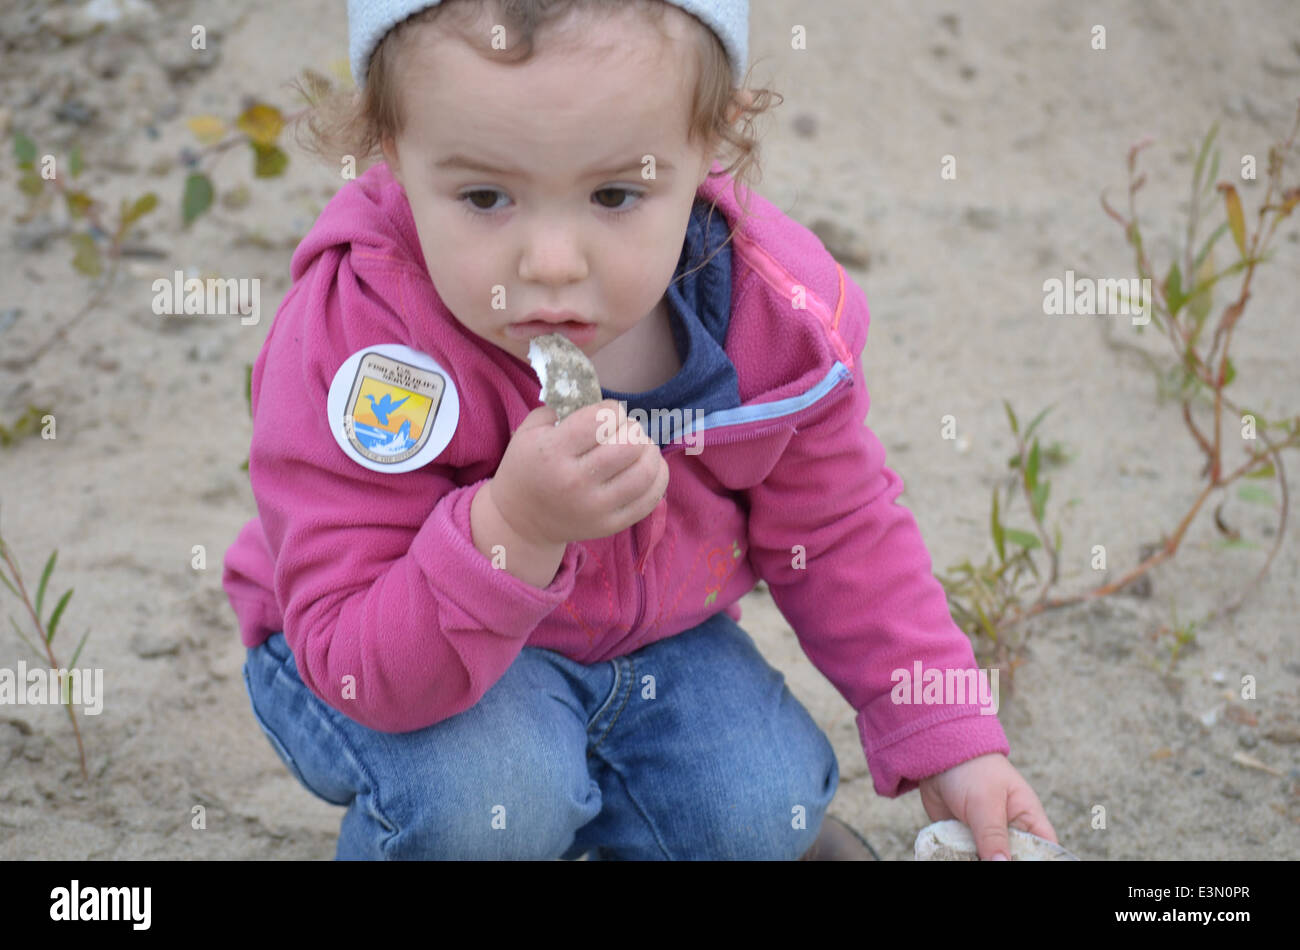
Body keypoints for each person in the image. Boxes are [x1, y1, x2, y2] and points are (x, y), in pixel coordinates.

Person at [223, 0, 1058, 860]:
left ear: (710, 143)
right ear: (393, 149)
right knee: (494, 802)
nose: (551, 261)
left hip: (650, 636)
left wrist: (948, 734)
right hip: (375, 647)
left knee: (758, 811)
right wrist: (514, 530)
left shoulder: (768, 316)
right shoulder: (363, 336)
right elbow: (360, 659)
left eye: (615, 194)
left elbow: (841, 531)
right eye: (484, 196)